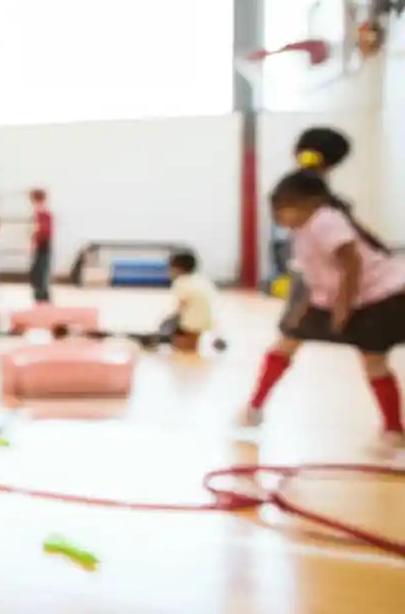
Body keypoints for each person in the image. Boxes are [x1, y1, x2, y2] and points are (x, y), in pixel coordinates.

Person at [244, 170, 404, 449]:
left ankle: (393, 430)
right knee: (285, 343)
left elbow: (351, 263)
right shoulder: (301, 231)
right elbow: (309, 276)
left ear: (312, 202)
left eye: (285, 207)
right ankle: (253, 409)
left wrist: (344, 306)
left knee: (374, 360)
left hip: (377, 297)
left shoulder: (326, 220)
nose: (280, 216)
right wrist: (298, 313)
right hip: (333, 298)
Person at [242, 129, 353, 426]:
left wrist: (341, 302)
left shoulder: (317, 202)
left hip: (321, 282)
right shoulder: (324, 199)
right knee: (373, 356)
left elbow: (348, 258)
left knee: (288, 340)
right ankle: (254, 406)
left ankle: (254, 406)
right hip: (320, 280)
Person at [159, 251, 217, 351]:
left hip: (191, 323)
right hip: (208, 321)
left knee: (180, 346)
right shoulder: (202, 280)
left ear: (177, 268)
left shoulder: (181, 282)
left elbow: (181, 307)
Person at [29, 189, 53, 303]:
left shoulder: (42, 213)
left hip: (43, 245)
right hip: (41, 245)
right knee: (37, 273)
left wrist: (35, 236)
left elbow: (44, 231)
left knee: (40, 274)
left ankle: (42, 297)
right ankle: (40, 296)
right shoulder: (40, 213)